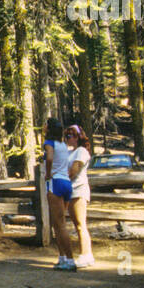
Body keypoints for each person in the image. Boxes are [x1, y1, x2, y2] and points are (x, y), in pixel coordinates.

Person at [43, 116, 75, 271]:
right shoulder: (62, 144)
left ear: (49, 129)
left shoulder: (49, 143)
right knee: (57, 223)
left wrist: (48, 173)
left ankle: (70, 260)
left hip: (55, 183)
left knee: (60, 224)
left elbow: (49, 158)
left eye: (45, 125)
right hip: (66, 183)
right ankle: (62, 257)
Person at [66, 123, 94, 268]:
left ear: (77, 137)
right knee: (77, 224)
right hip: (70, 190)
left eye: (70, 136)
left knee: (80, 224)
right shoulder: (70, 152)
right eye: (67, 136)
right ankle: (86, 254)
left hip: (78, 190)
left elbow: (74, 170)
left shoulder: (81, 151)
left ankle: (86, 254)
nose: (68, 138)